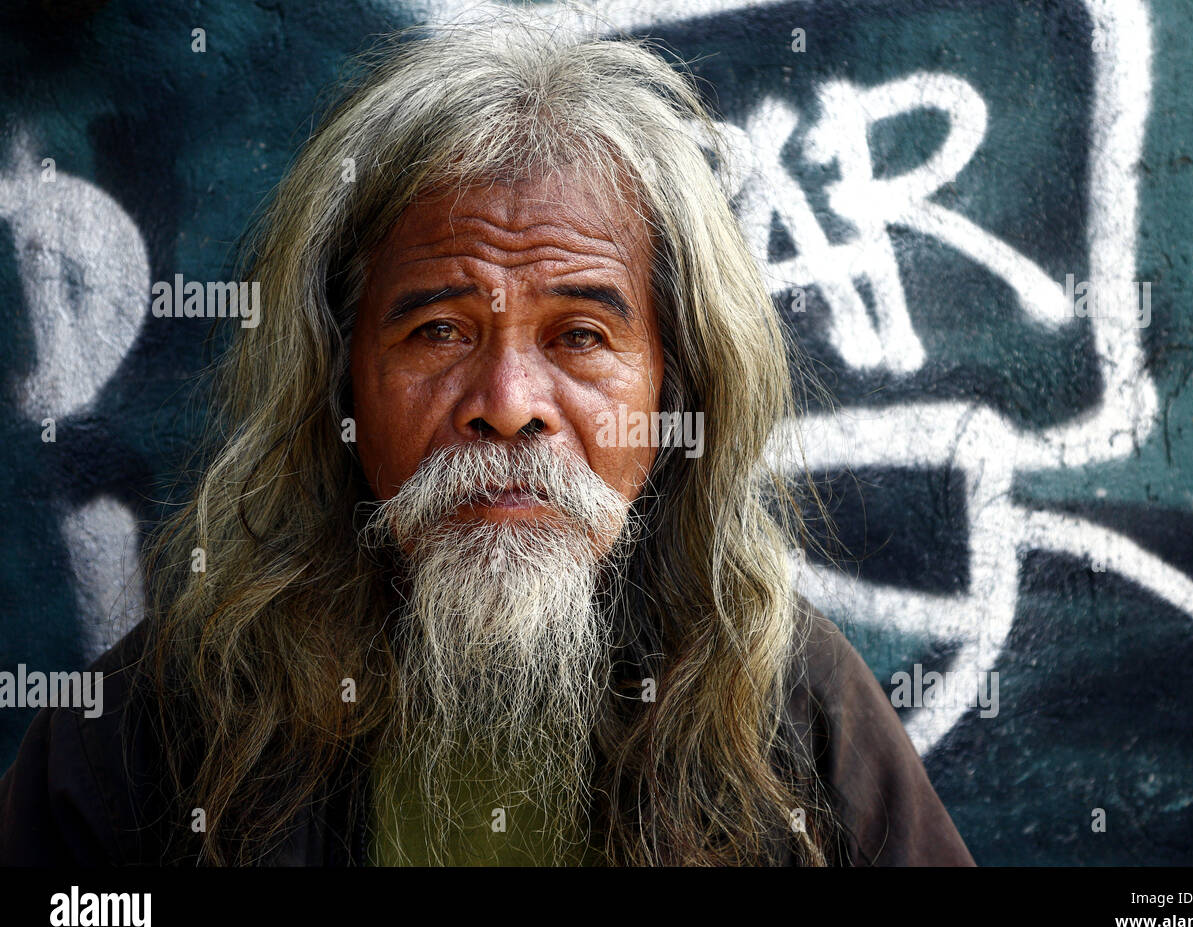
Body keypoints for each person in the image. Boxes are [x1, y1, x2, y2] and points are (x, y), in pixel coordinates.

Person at [0, 17, 974, 867]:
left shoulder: (790, 714)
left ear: (675, 385)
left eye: (582, 335)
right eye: (438, 330)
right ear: (335, 376)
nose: (507, 405)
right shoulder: (150, 733)